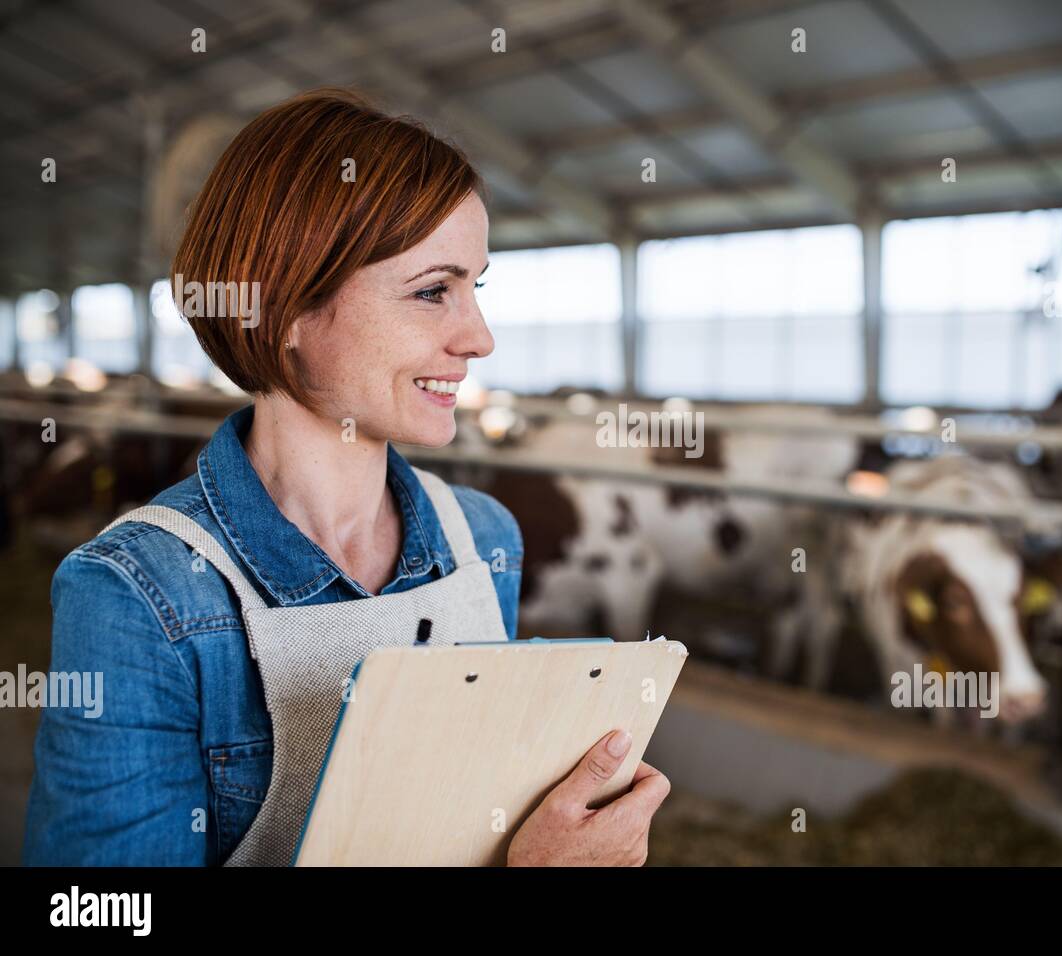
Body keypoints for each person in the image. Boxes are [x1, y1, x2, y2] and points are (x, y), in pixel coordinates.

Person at [22, 89, 669, 866]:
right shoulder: (139, 594)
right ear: (287, 308)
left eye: (476, 288)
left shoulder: (481, 537)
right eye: (433, 291)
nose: (481, 338)